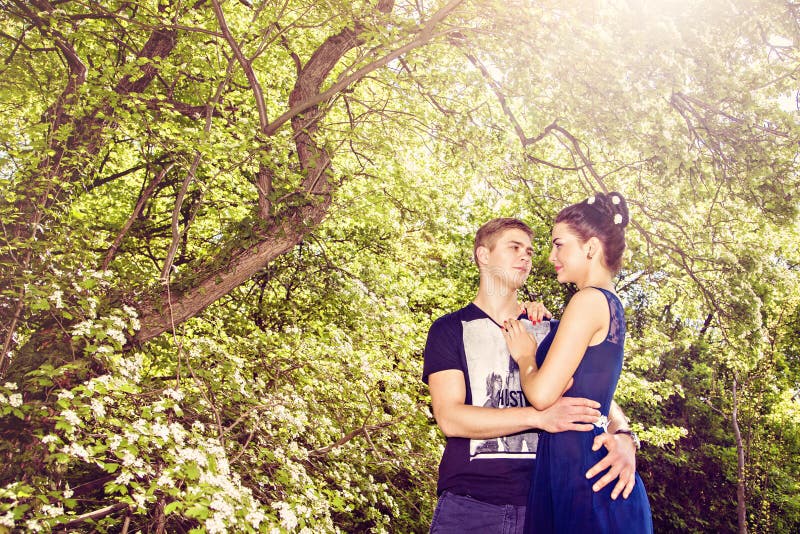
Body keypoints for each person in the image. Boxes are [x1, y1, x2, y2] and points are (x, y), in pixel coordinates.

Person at [423, 217, 641, 533]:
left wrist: (624, 436)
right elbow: (450, 418)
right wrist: (539, 417)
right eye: (514, 247)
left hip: (545, 508)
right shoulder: (449, 329)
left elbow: (596, 397)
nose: (526, 256)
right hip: (470, 506)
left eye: (529, 249)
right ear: (483, 255)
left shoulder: (550, 330)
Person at [503, 193, 653, 533]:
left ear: (590, 248)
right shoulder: (609, 304)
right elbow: (591, 388)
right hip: (581, 467)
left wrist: (526, 354)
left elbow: (542, 394)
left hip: (584, 476)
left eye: (559, 244)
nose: (551, 255)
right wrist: (625, 433)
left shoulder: (587, 301)